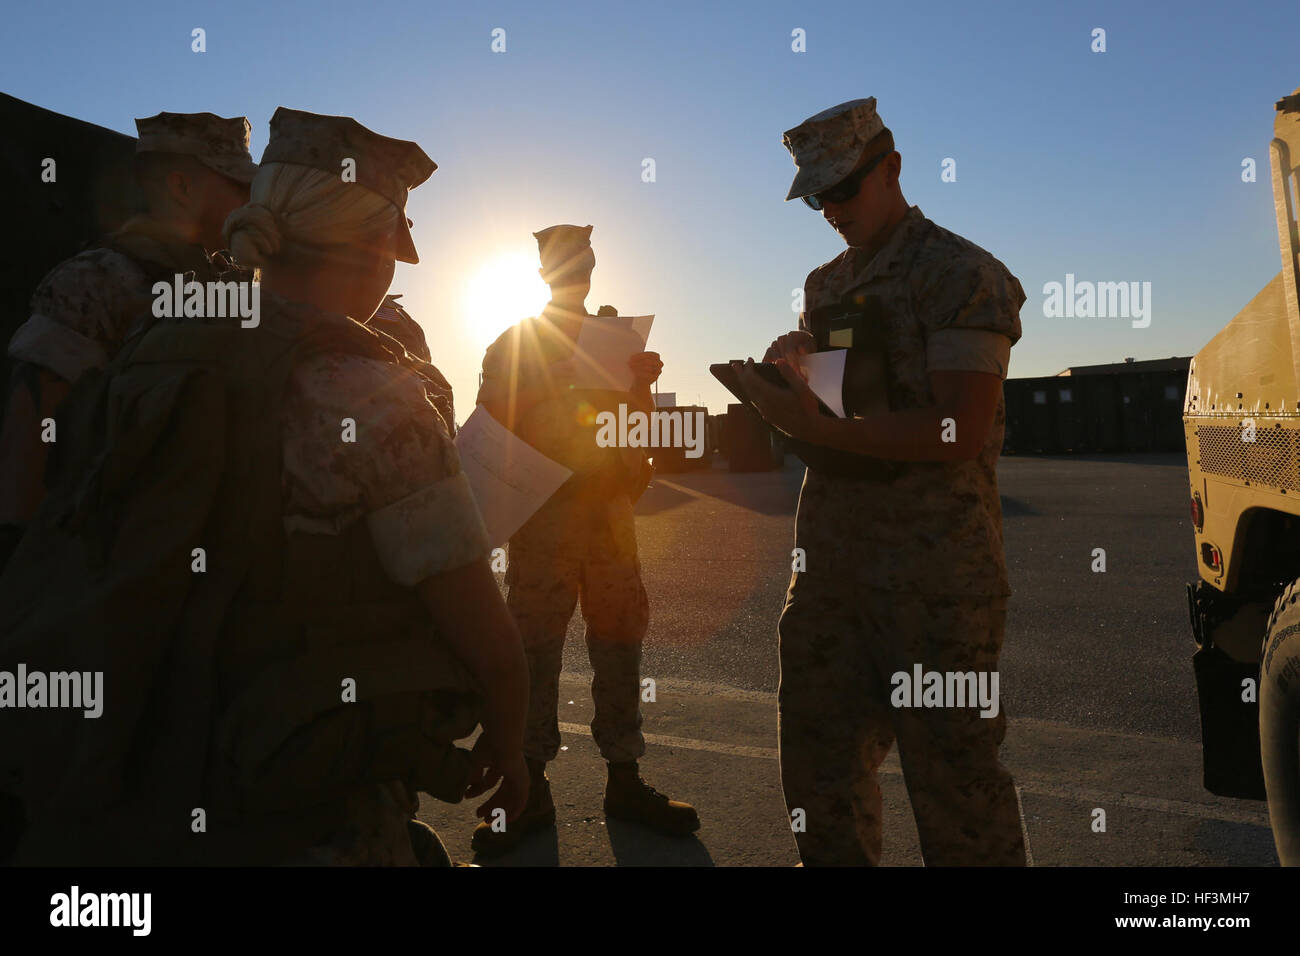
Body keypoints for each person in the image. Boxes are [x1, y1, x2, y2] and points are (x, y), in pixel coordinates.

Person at [0, 107, 529, 866]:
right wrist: (510, 747)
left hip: (137, 771)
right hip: (297, 796)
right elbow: (489, 641)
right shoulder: (370, 392)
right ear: (380, 248)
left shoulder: (151, 344)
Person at [735, 96, 1026, 866]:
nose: (831, 209)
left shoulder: (962, 273)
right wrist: (796, 372)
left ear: (891, 167)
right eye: (817, 197)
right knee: (819, 780)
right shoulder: (826, 283)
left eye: (844, 188)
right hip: (831, 573)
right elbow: (849, 409)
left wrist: (816, 427)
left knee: (958, 790)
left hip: (937, 582)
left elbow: (958, 427)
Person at [470, 224, 697, 855]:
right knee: (534, 648)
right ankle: (530, 786)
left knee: (620, 642)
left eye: (584, 264)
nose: (577, 275)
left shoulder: (615, 339)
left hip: (609, 515)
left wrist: (643, 383)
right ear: (543, 272)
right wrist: (546, 382)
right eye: (565, 265)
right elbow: (491, 427)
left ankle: (624, 777)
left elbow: (636, 434)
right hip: (544, 514)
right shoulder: (517, 342)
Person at [0, 111, 256, 567]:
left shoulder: (228, 284)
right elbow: (36, 424)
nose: (251, 200)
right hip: (106, 556)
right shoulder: (102, 278)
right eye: (238, 185)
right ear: (181, 187)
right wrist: (22, 555)